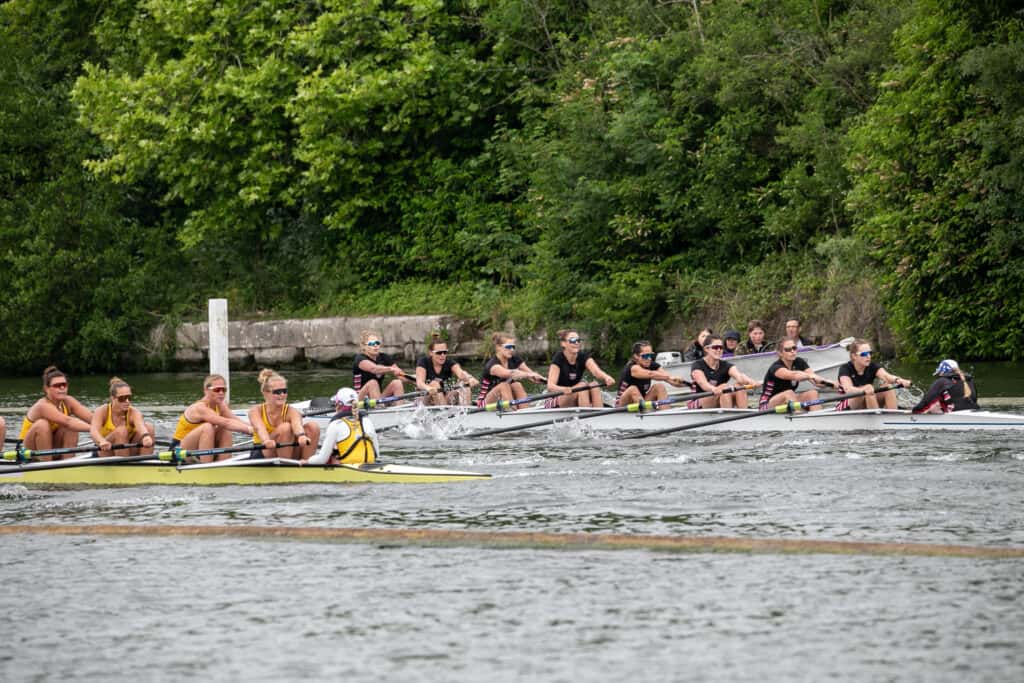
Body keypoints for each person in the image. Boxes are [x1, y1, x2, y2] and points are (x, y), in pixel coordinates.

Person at [171, 374, 253, 462]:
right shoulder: (200, 408)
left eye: (224, 390)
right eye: (217, 390)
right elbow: (226, 422)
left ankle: (224, 464)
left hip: (200, 449)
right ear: (206, 390)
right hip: (179, 450)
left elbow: (235, 420)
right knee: (208, 427)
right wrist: (251, 431)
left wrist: (259, 429)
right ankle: (207, 466)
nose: (221, 393)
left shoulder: (221, 405)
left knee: (225, 429)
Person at [18, 366, 93, 459]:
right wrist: (95, 430)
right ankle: (46, 463)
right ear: (46, 388)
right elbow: (68, 421)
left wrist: (106, 425)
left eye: (64, 384)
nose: (62, 388)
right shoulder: (42, 406)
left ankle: (68, 462)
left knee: (71, 428)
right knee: (42, 424)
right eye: (57, 385)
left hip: (51, 448)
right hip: (26, 453)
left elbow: (92, 418)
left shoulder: (68, 401)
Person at [247, 369, 320, 460]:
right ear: (265, 393)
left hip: (287, 450)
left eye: (284, 391)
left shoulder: (291, 411)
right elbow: (260, 428)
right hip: (264, 451)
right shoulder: (255, 411)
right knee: (285, 428)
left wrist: (301, 436)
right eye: (277, 392)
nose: (282, 395)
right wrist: (266, 440)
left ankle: (306, 462)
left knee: (313, 427)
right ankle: (286, 464)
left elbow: (297, 424)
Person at [304, 388, 380, 465]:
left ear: (339, 405)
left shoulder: (336, 424)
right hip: (371, 465)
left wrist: (306, 461)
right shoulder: (367, 421)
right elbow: (376, 454)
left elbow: (321, 460)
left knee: (334, 455)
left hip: (348, 469)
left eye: (335, 403)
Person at [545, 329, 615, 408]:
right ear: (563, 343)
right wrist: (564, 389)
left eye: (578, 340)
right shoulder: (558, 358)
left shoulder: (583, 356)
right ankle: (586, 413)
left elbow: (596, 372)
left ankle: (598, 413)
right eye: (572, 340)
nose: (576, 343)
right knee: (582, 386)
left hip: (576, 392)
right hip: (556, 397)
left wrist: (606, 377)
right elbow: (550, 386)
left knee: (594, 385)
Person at [475, 333, 546, 408]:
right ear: (498, 347)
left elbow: (531, 373)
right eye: (508, 347)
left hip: (502, 400)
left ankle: (525, 410)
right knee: (504, 386)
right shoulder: (493, 366)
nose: (512, 350)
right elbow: (512, 373)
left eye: (513, 347)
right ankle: (512, 410)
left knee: (517, 385)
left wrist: (544, 380)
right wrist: (529, 375)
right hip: (485, 404)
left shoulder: (514, 359)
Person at [836, 340, 911, 410]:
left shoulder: (872, 366)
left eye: (870, 353)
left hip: (867, 400)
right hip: (848, 405)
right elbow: (848, 389)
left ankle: (893, 416)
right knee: (868, 388)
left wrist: (899, 380)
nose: (868, 356)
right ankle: (876, 417)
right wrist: (863, 390)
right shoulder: (845, 368)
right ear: (854, 356)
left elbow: (886, 376)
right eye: (864, 354)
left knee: (888, 387)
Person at [89, 377, 155, 456]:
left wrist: (146, 437)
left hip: (127, 449)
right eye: (122, 398)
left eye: (129, 397)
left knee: (149, 427)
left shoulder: (134, 412)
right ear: (112, 398)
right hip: (105, 450)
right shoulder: (102, 411)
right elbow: (94, 431)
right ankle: (123, 462)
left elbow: (140, 426)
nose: (127, 401)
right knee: (121, 431)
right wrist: (101, 441)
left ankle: (144, 461)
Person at [690, 335, 758, 409]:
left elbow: (739, 377)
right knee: (725, 387)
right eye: (715, 347)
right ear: (706, 349)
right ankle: (728, 413)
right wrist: (714, 389)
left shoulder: (726, 365)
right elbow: (703, 384)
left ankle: (744, 413)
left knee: (739, 386)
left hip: (720, 395)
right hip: (700, 400)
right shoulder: (697, 365)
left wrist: (750, 381)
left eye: (721, 347)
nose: (719, 350)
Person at [758, 342, 830, 411]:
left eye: (794, 348)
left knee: (812, 393)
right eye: (788, 349)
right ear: (780, 353)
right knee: (789, 393)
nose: (792, 351)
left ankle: (816, 416)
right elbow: (794, 375)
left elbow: (816, 382)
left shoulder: (799, 362)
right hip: (767, 405)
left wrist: (830, 384)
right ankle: (799, 416)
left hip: (788, 401)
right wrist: (810, 376)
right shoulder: (776, 367)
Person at [615, 341, 688, 407]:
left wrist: (688, 384)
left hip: (640, 401)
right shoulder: (633, 367)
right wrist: (670, 376)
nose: (649, 358)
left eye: (651, 355)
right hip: (622, 405)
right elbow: (650, 374)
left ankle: (665, 412)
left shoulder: (651, 364)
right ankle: (646, 414)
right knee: (633, 389)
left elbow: (671, 381)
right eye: (645, 356)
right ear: (636, 356)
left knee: (659, 387)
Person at [415, 335, 479, 406]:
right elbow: (419, 383)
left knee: (463, 383)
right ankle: (444, 409)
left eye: (444, 352)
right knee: (435, 384)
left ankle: (467, 408)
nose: (442, 355)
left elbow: (461, 373)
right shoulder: (423, 361)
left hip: (442, 398)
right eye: (439, 353)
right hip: (425, 400)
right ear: (431, 353)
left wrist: (470, 378)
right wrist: (428, 388)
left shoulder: (449, 363)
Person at [353, 330, 409, 402]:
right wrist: (391, 369)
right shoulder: (360, 359)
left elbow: (402, 376)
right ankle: (380, 406)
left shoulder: (384, 357)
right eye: (371, 344)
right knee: (373, 383)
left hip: (377, 398)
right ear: (364, 346)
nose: (375, 345)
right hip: (361, 400)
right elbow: (374, 369)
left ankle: (399, 407)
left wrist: (417, 380)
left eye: (377, 343)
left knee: (397, 383)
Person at [911, 359, 979, 414]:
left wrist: (915, 411)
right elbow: (974, 399)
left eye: (939, 372)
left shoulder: (942, 381)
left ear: (943, 371)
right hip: (974, 409)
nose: (939, 375)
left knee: (933, 406)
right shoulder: (969, 380)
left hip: (955, 412)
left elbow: (927, 399)